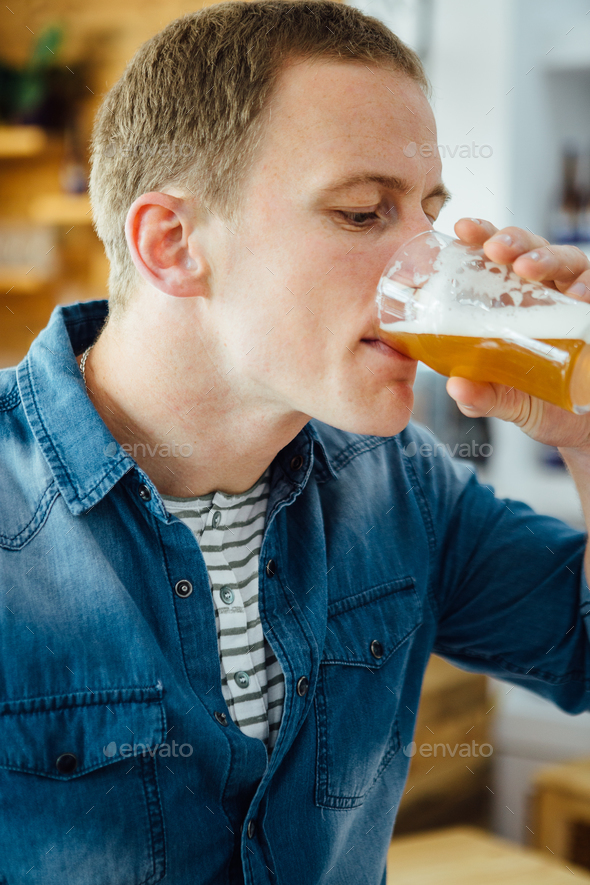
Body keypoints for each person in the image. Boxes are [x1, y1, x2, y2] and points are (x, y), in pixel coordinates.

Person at [2, 1, 590, 882]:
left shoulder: (405, 484)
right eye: (363, 212)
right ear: (173, 244)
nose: (424, 263)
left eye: (429, 213)